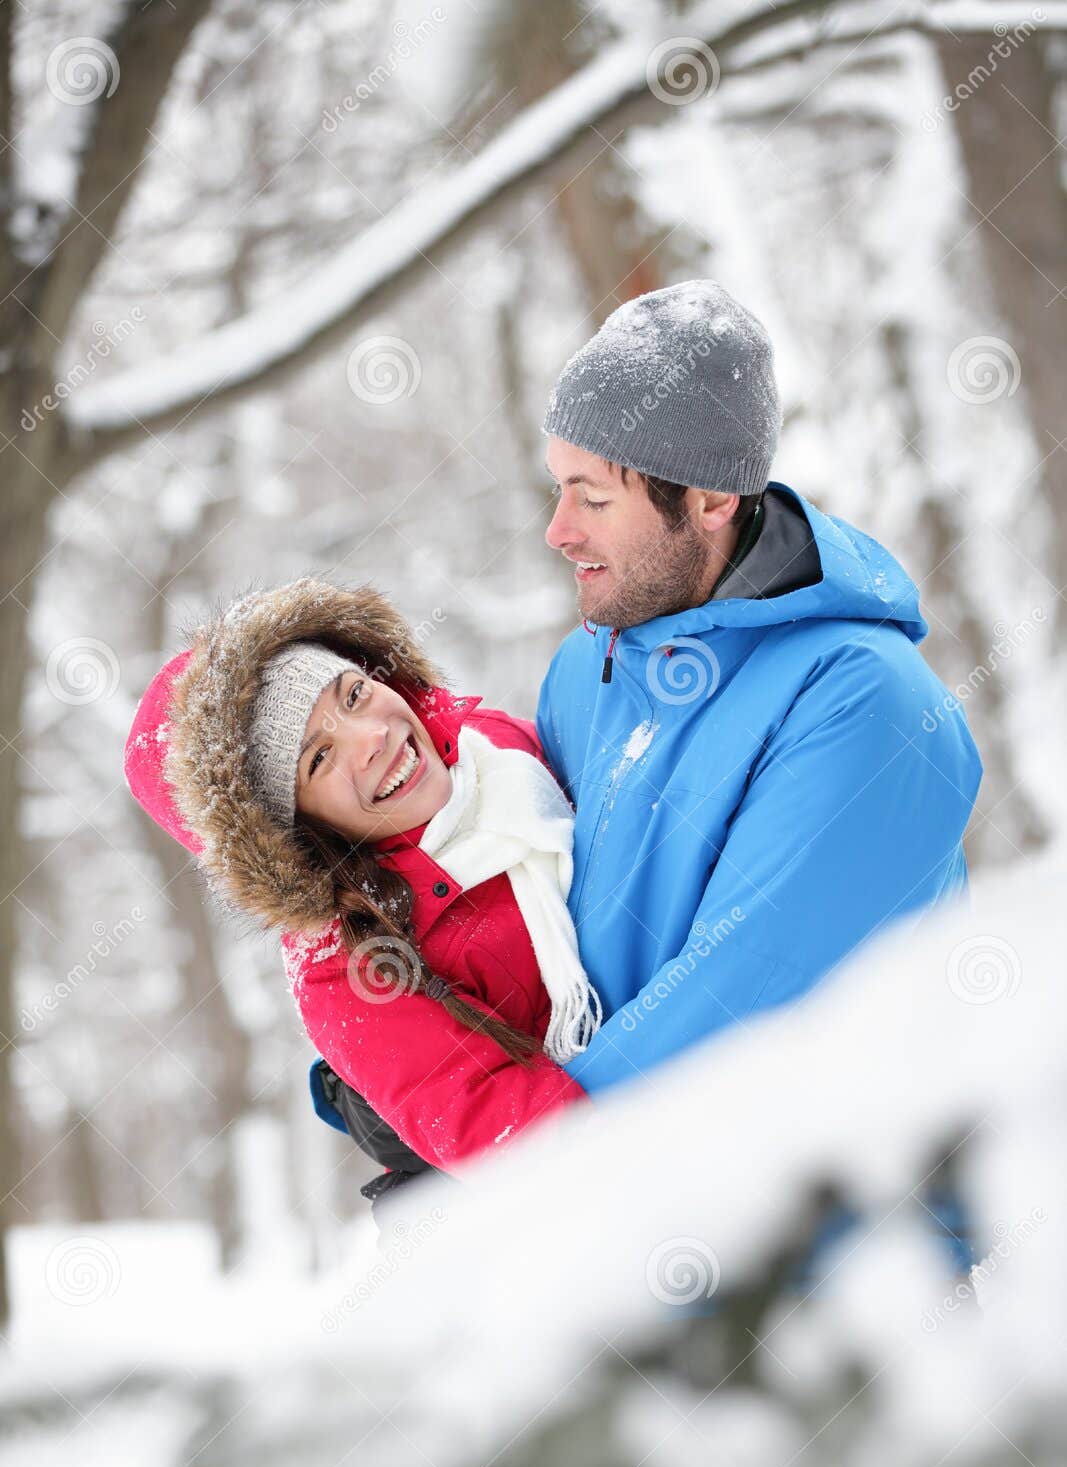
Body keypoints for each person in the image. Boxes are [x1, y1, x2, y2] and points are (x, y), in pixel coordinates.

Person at [318, 280, 982, 1269]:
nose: (558, 529)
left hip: (838, 1268)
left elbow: (735, 999)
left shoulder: (867, 707)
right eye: (557, 487)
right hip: (644, 1239)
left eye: (592, 495)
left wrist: (508, 1167)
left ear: (709, 498)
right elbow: (521, 903)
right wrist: (393, 1060)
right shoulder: (587, 671)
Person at [124, 579, 601, 1213]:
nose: (371, 736)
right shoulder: (347, 967)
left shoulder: (495, 750)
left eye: (353, 693)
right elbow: (504, 1128)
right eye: (319, 758)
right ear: (295, 828)